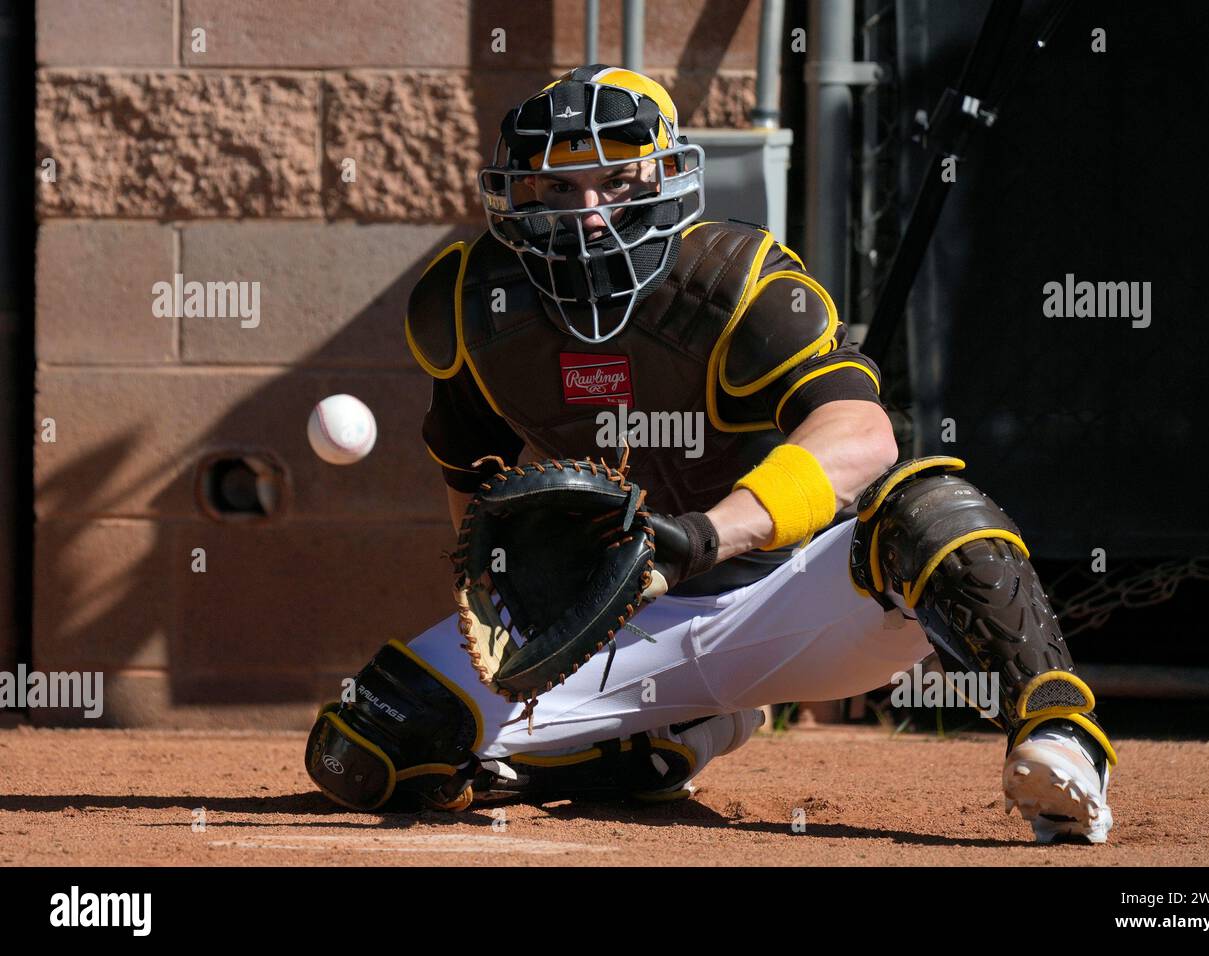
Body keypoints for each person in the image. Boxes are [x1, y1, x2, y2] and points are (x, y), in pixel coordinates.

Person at [305, 65, 1116, 843]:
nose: (588, 215)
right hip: (614, 617)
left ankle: (1058, 736)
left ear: (666, 180)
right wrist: (502, 594)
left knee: (930, 506)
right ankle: (665, 738)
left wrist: (701, 536)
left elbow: (864, 435)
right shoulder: (470, 302)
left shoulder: (736, 283)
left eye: (616, 183)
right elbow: (471, 482)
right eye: (557, 187)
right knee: (368, 746)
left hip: (795, 602)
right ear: (515, 193)